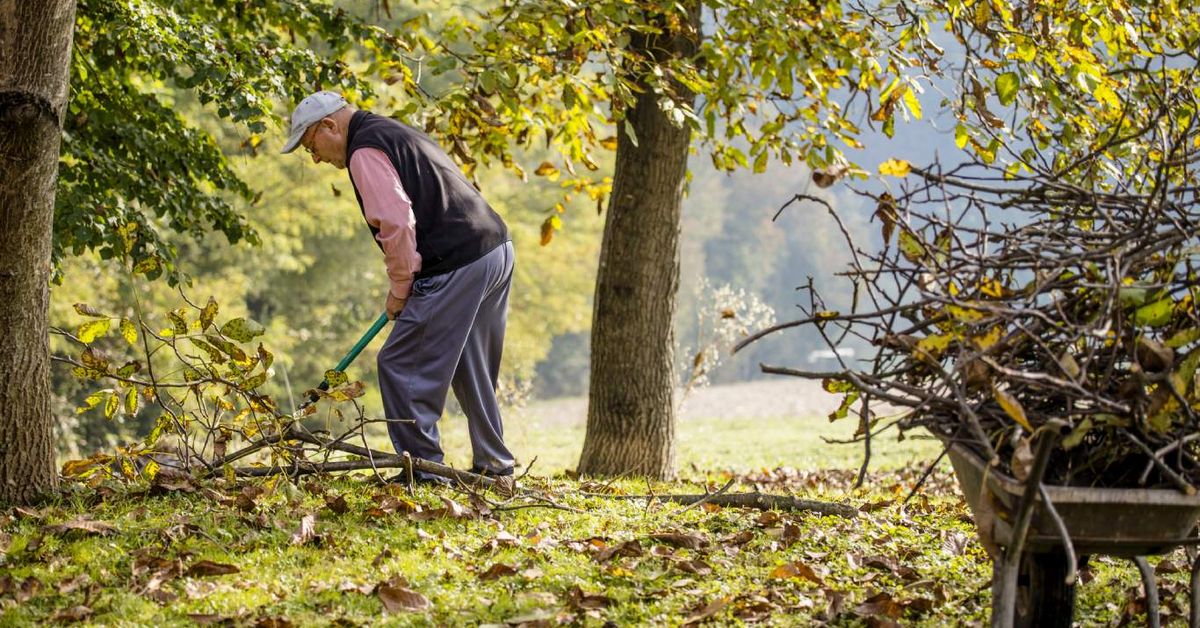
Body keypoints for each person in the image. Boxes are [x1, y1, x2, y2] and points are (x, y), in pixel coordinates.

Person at [282, 91, 516, 482]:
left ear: (328, 126)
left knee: (400, 364)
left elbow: (395, 222)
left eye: (311, 146)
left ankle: (424, 469)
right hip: (493, 249)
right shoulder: (392, 130)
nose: (316, 157)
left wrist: (401, 286)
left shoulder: (364, 150)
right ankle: (495, 467)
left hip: (454, 262)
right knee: (470, 363)